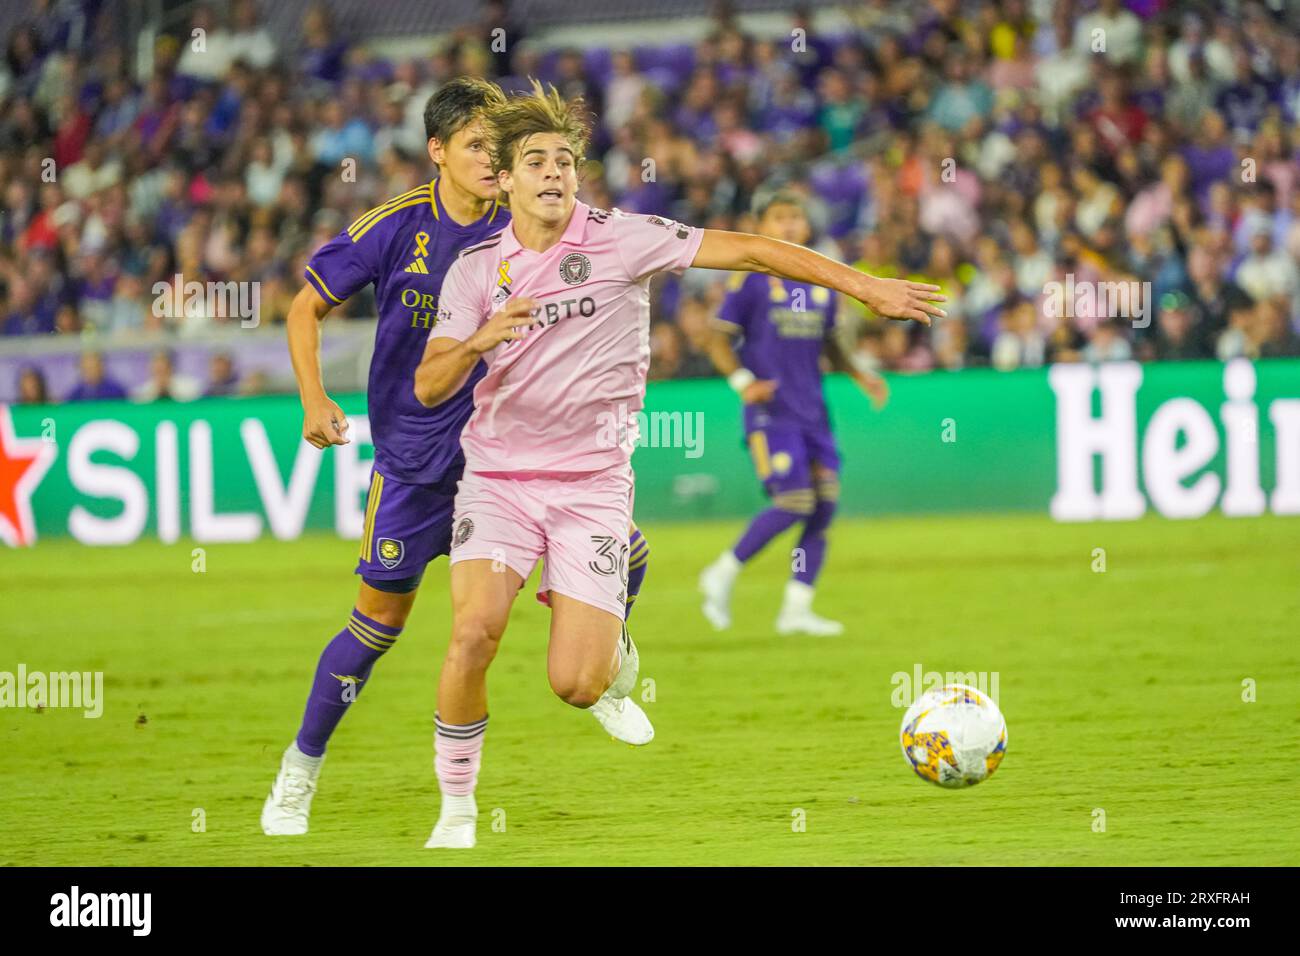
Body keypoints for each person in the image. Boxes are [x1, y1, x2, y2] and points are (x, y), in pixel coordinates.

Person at [413, 81, 941, 848]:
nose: (556, 173)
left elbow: (754, 249)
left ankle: (615, 631)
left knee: (577, 684)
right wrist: (477, 340)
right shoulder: (472, 273)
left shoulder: (623, 237)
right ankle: (457, 810)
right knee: (473, 634)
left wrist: (864, 288)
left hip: (592, 486)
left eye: (566, 160)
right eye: (536, 161)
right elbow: (429, 385)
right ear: (507, 175)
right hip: (497, 479)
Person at [261, 78, 653, 836]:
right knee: (376, 626)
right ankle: (299, 771)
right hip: (415, 465)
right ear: (438, 152)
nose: (493, 161)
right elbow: (304, 304)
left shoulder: (535, 224)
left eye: (498, 149)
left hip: (509, 459)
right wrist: (313, 398)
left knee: (625, 549)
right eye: (477, 146)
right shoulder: (396, 228)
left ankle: (607, 656)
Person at [698, 190, 889, 637]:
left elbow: (832, 346)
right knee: (794, 501)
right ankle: (723, 571)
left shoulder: (820, 282)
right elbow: (716, 339)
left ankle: (796, 609)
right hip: (772, 413)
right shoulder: (750, 281)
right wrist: (744, 383)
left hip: (814, 412)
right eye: (778, 218)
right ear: (760, 225)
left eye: (795, 218)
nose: (788, 226)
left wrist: (861, 375)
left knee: (824, 506)